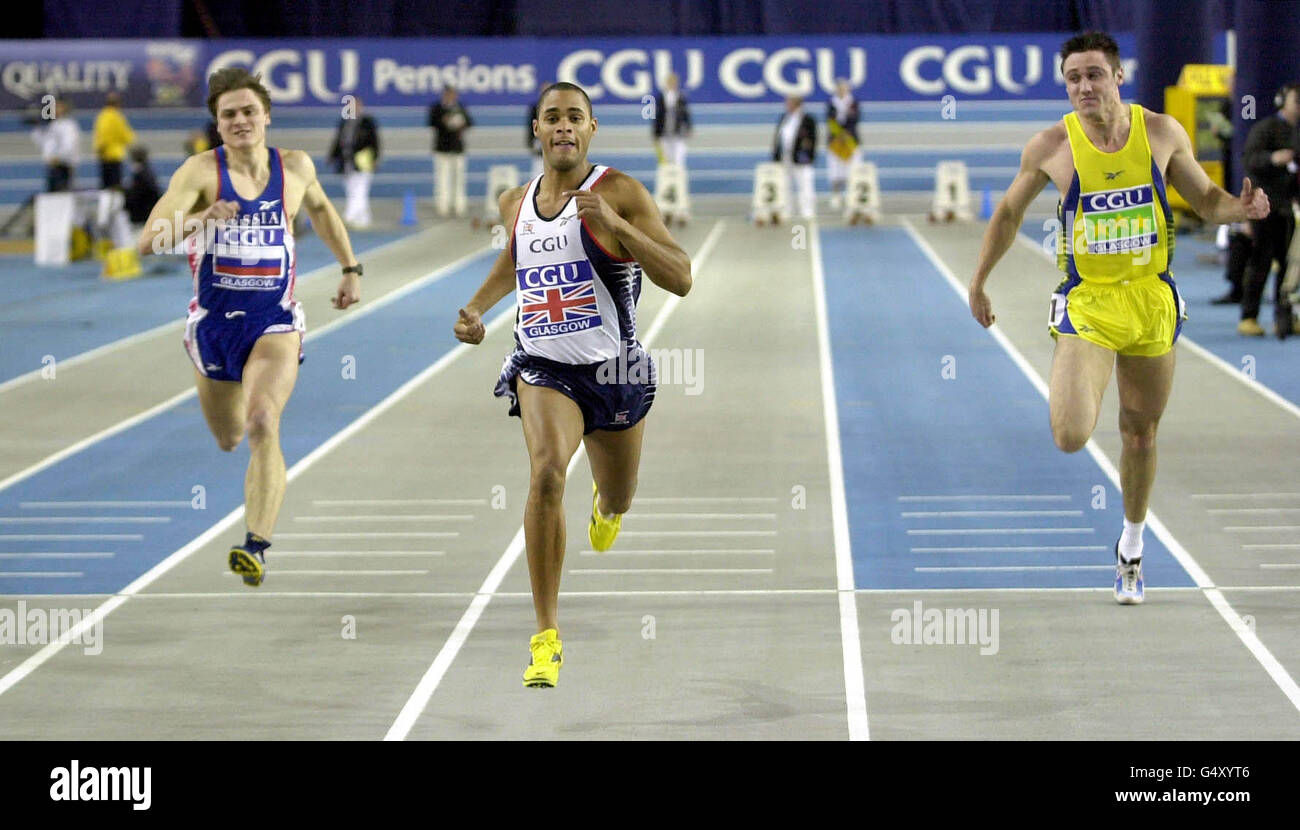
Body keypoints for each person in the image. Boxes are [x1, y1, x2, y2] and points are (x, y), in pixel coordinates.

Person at [967, 31, 1269, 605]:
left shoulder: (1161, 132)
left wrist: (1242, 209)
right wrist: (979, 281)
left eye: (1093, 74)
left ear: (1117, 77)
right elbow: (1007, 213)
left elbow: (1206, 201)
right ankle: (1077, 362)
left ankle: (1130, 548)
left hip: (1152, 299)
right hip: (1090, 302)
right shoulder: (1052, 146)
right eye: (1073, 78)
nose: (1084, 86)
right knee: (1071, 433)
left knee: (1140, 432)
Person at [452, 81, 691, 688]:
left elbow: (682, 276)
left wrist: (617, 226)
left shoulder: (620, 191)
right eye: (551, 117)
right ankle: (546, 636)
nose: (563, 126)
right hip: (545, 368)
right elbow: (516, 256)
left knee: (618, 497)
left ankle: (607, 509)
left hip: (614, 372)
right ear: (537, 129)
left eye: (574, 118)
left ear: (591, 130)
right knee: (547, 472)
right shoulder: (516, 201)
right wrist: (478, 306)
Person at [136, 67, 363, 587]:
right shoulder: (199, 173)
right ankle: (238, 429)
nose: (240, 121)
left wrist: (351, 269)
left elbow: (324, 212)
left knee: (263, 423)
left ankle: (255, 545)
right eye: (228, 115)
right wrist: (202, 219)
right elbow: (148, 240)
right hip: (214, 327)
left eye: (248, 112)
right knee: (229, 436)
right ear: (218, 125)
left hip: (274, 321)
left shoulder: (296, 167)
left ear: (266, 116)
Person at [1238, 82, 1300, 337]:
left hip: (1289, 209)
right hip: (1265, 209)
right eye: (1297, 101)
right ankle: (1249, 317)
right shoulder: (1264, 129)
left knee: (1290, 267)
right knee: (1260, 262)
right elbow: (1249, 161)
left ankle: (1283, 319)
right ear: (1283, 101)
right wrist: (1273, 159)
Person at [328, 97, 380, 229]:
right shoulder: (344, 122)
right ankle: (363, 218)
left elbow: (375, 142)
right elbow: (338, 140)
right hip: (347, 161)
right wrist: (332, 156)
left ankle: (349, 215)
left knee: (360, 187)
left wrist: (375, 158)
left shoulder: (368, 122)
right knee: (351, 188)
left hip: (363, 160)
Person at [428, 86, 473, 217]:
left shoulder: (461, 107)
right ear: (444, 95)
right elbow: (432, 123)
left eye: (453, 94)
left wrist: (461, 123)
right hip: (442, 149)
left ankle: (459, 205)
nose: (451, 96)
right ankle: (443, 205)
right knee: (442, 178)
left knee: (459, 179)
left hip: (458, 149)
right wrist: (445, 121)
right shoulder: (437, 108)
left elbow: (470, 123)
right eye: (448, 94)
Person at [772, 95, 817, 219]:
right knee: (785, 185)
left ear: (796, 104)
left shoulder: (808, 119)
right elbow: (778, 137)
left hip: (801, 158)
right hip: (785, 157)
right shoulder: (784, 118)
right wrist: (776, 155)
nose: (786, 105)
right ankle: (787, 210)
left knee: (805, 184)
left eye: (789, 102)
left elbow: (813, 140)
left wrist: (809, 156)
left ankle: (807, 211)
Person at [826, 79, 861, 210]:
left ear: (848, 89)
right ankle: (836, 195)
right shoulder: (831, 102)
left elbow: (855, 119)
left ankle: (852, 195)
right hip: (836, 142)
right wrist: (839, 134)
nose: (842, 90)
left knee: (853, 169)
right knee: (835, 170)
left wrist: (846, 134)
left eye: (844, 88)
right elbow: (830, 119)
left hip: (851, 141)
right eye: (840, 88)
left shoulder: (853, 102)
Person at [31, 98, 80, 192]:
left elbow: (69, 145)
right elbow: (46, 144)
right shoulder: (54, 124)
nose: (55, 109)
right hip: (53, 167)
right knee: (52, 196)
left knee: (61, 196)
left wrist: (57, 158)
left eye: (58, 107)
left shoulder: (68, 125)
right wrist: (36, 129)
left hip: (62, 167)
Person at [93, 92, 135, 190]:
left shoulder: (102, 116)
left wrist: (100, 149)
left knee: (105, 185)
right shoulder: (117, 117)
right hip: (115, 155)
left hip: (104, 155)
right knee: (115, 186)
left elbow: (100, 135)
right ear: (118, 104)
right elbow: (126, 136)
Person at [652, 73, 692, 167]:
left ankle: (679, 178)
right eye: (669, 82)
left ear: (676, 83)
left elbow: (686, 114)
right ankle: (665, 179)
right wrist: (655, 132)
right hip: (663, 131)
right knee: (665, 159)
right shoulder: (660, 98)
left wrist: (689, 128)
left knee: (679, 157)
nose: (671, 84)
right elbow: (657, 116)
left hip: (678, 131)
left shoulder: (681, 97)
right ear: (666, 83)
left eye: (673, 82)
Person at [123, 146, 161, 225]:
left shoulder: (141, 174)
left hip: (143, 216)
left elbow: (137, 194)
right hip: (147, 213)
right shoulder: (146, 172)